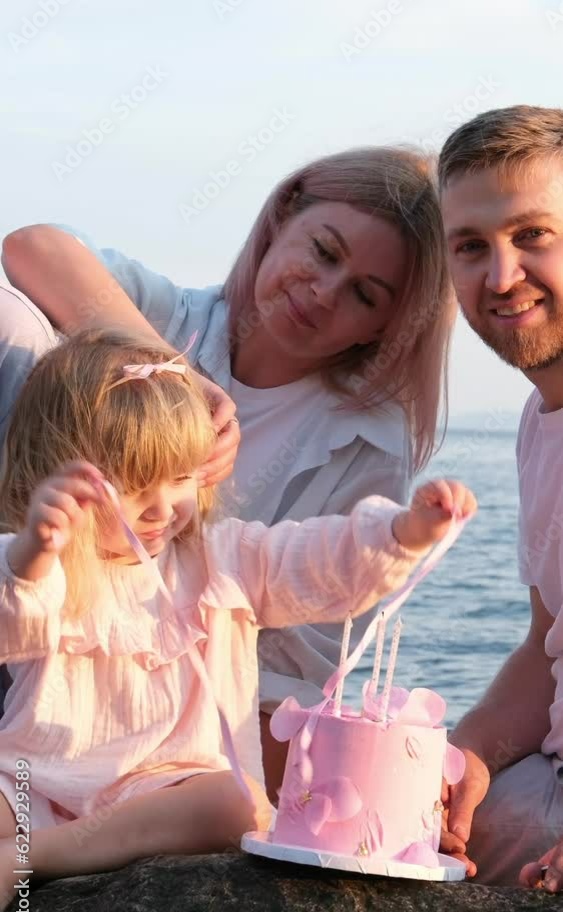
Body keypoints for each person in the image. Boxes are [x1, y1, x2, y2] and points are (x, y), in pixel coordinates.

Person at [1, 147, 454, 798]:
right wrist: (172, 374)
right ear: (281, 219)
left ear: (388, 322)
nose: (322, 293)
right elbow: (32, 245)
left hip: (168, 717)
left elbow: (306, 650)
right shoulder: (175, 319)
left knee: (221, 799)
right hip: (29, 622)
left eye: (363, 293)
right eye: (323, 252)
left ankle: (49, 849)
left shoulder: (364, 442)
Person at [0, 327, 476, 909]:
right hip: (33, 782)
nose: (160, 507)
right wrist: (34, 552)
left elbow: (319, 563)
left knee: (233, 804)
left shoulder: (223, 559)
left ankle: (30, 856)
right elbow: (15, 621)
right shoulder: (46, 563)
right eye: (127, 487)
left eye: (179, 478)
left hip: (169, 786)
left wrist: (403, 532)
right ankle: (40, 840)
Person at [437, 104, 563, 892]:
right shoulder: (535, 422)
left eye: (532, 236)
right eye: (471, 247)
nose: (501, 276)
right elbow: (544, 648)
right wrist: (461, 760)